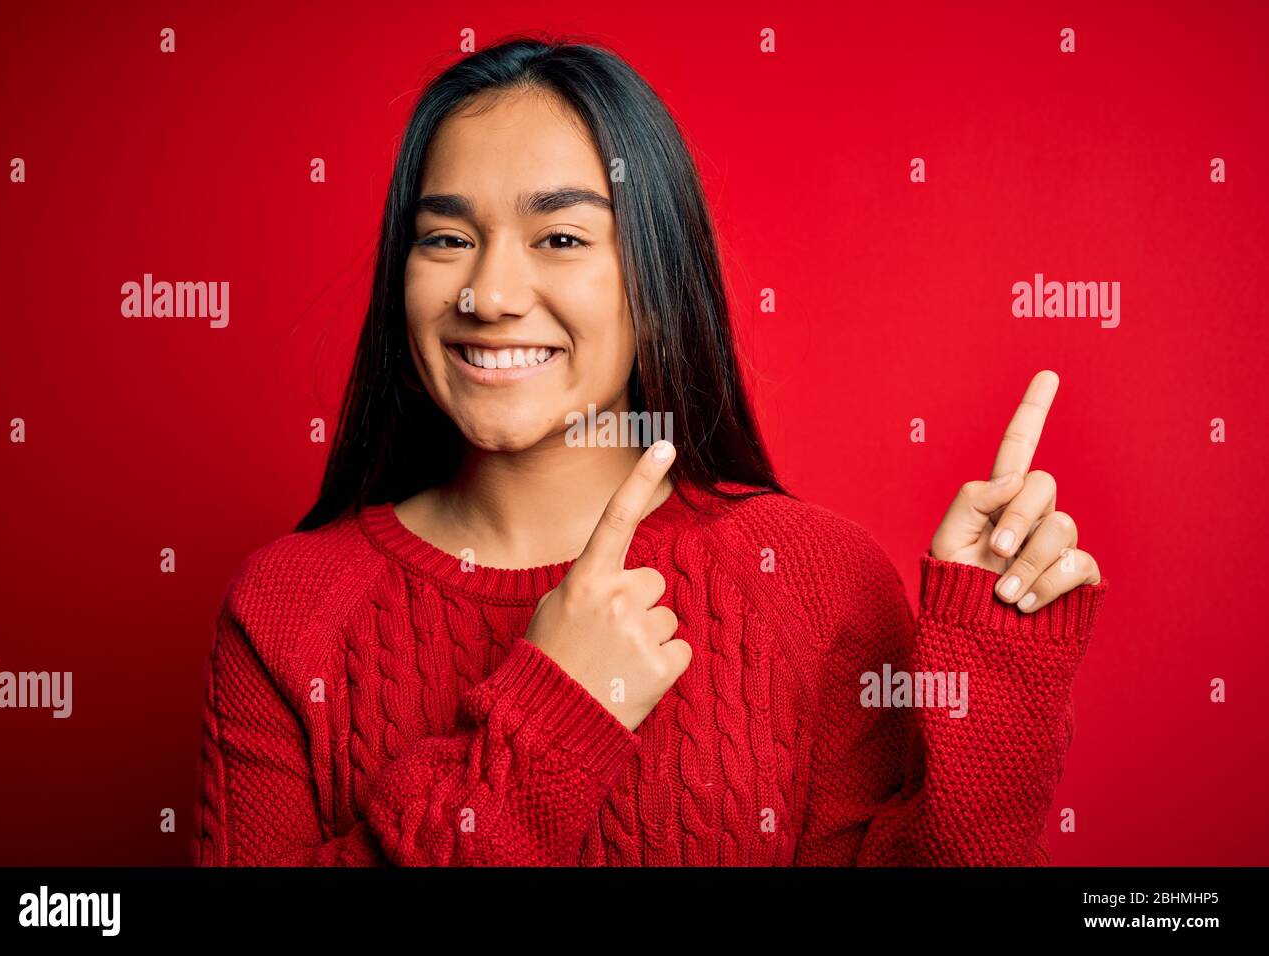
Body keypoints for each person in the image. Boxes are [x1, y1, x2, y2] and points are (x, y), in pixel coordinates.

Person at [191, 35, 1106, 866]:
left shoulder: (820, 583)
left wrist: (998, 684)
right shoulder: (284, 611)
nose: (490, 291)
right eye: (448, 238)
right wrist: (551, 719)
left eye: (560, 237)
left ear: (656, 281)